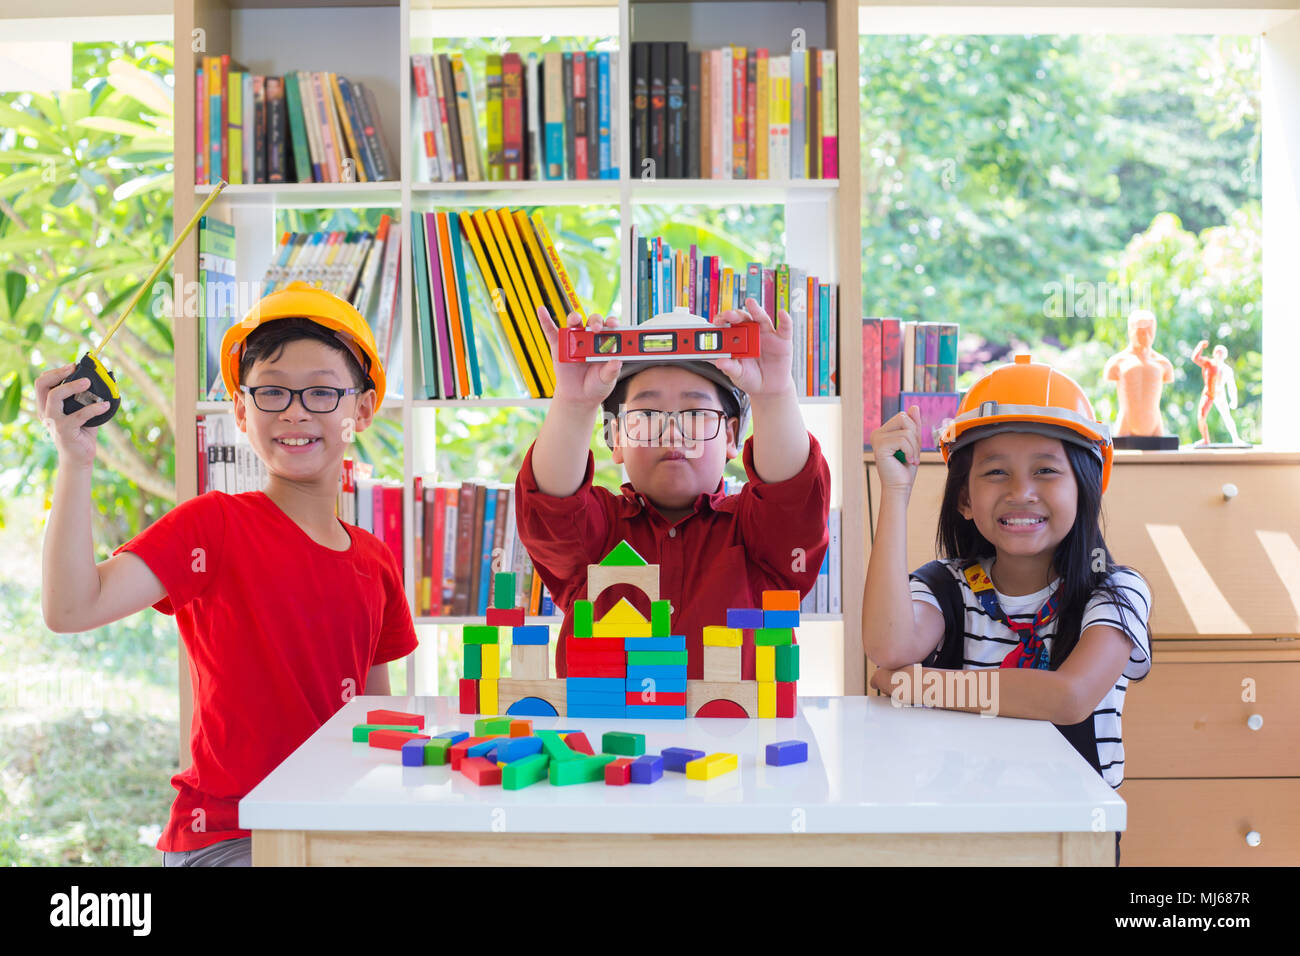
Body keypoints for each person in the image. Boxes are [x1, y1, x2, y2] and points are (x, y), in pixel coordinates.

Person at [37, 282, 416, 867]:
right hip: (228, 838)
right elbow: (71, 608)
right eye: (271, 393)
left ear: (361, 408)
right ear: (241, 410)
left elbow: (374, 726)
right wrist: (75, 457)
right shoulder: (211, 527)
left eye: (321, 392)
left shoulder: (375, 560)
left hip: (329, 831)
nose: (294, 410)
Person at [862, 355, 1151, 864]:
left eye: (1046, 470)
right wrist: (896, 492)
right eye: (995, 472)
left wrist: (916, 684)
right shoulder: (947, 585)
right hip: (957, 833)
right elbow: (887, 647)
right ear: (965, 499)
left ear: (1086, 487)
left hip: (1071, 838)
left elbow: (1068, 698)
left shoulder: (1117, 590)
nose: (1021, 492)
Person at [515, 300, 831, 680]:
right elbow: (551, 507)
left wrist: (775, 394)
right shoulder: (598, 535)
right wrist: (572, 405)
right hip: (606, 739)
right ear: (616, 439)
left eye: (696, 414)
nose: (672, 432)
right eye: (647, 416)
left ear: (730, 436)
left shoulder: (755, 534)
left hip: (741, 738)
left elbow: (792, 499)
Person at [1102, 309, 1175, 437]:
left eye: (1150, 332)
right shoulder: (1117, 363)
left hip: (1155, 426)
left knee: (1162, 457)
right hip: (1125, 425)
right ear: (1130, 331)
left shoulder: (1163, 364)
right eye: (1141, 332)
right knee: (1120, 456)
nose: (1146, 337)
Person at [1191, 340, 1242, 446]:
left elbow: (1231, 386)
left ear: (1225, 355)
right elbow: (1195, 358)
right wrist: (1200, 346)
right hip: (1209, 392)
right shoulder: (1209, 363)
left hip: (1219, 394)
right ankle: (1205, 439)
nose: (1219, 354)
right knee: (1201, 415)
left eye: (1221, 352)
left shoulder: (1227, 370)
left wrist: (1234, 399)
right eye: (1217, 352)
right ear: (1214, 353)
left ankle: (1236, 439)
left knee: (1227, 416)